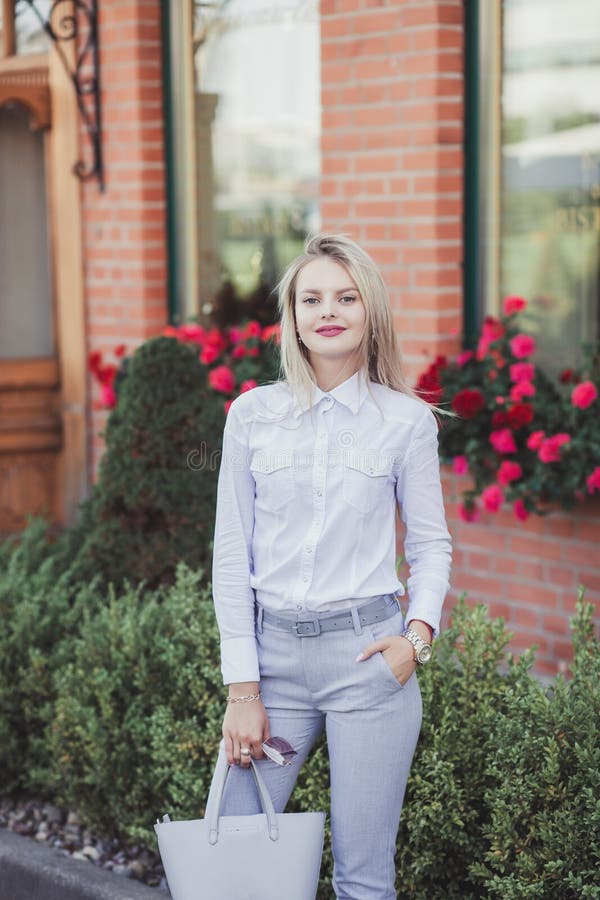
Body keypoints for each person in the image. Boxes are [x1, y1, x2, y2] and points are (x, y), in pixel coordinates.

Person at [209, 233, 452, 899]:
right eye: (311, 298)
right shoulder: (253, 415)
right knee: (232, 858)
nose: (328, 310)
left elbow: (431, 546)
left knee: (363, 879)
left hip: (369, 660)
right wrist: (243, 691)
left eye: (345, 297)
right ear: (292, 316)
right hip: (273, 663)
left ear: (369, 311)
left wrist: (417, 638)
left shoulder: (406, 422)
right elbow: (232, 554)